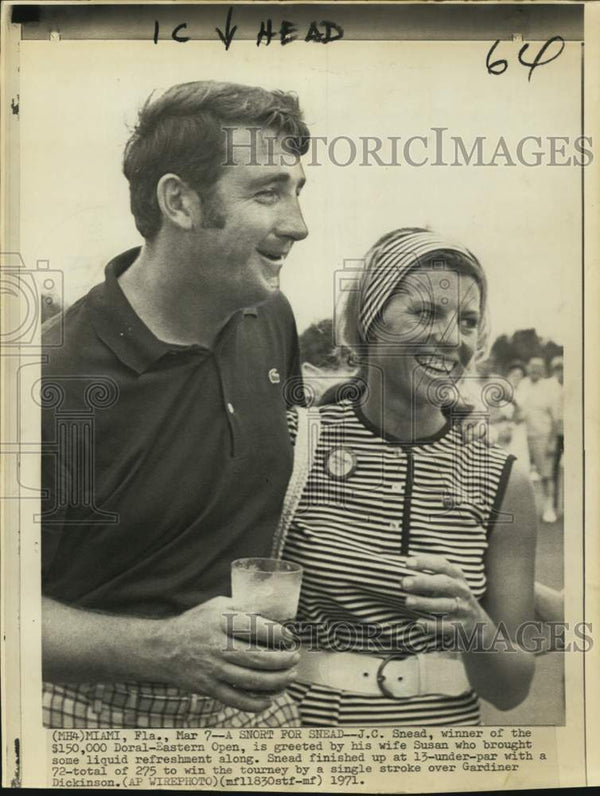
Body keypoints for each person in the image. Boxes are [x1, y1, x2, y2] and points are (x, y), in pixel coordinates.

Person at [41, 81, 311, 728]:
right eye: (268, 191)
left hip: (256, 707)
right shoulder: (53, 374)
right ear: (180, 202)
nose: (299, 223)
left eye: (299, 190)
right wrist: (163, 649)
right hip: (98, 712)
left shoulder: (271, 319)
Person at [277, 228, 537, 726]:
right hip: (309, 743)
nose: (451, 338)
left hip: (443, 753)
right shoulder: (296, 440)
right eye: (426, 313)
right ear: (370, 322)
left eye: (467, 321)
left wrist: (470, 621)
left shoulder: (503, 480)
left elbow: (511, 688)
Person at [516, 356, 561, 523]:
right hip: (521, 436)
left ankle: (548, 508)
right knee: (521, 474)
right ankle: (522, 510)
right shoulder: (523, 384)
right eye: (532, 367)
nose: (534, 371)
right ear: (528, 368)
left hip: (543, 436)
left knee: (546, 474)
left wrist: (551, 442)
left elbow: (556, 419)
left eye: (538, 368)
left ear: (543, 370)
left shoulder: (550, 387)